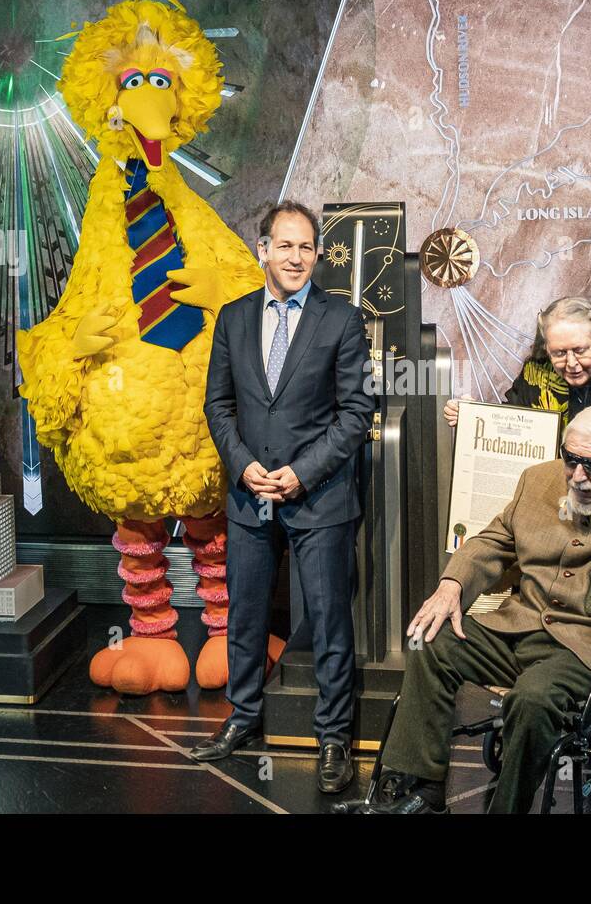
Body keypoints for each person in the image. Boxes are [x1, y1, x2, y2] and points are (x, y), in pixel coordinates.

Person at [354, 405, 591, 813]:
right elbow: (491, 542)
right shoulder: (536, 481)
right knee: (429, 640)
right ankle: (423, 787)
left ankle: (508, 807)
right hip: (519, 627)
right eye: (571, 459)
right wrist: (451, 585)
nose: (578, 476)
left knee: (533, 697)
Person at [193, 200, 373, 794]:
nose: (296, 257)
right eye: (285, 245)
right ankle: (243, 717)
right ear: (261, 249)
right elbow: (218, 406)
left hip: (318, 497)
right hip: (249, 497)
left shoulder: (341, 320)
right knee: (244, 614)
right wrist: (244, 468)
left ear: (317, 255)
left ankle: (333, 738)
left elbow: (355, 415)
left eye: (306, 247)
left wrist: (300, 473)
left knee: (328, 622)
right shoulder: (234, 318)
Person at [444, 296, 591, 518]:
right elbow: (514, 422)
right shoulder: (537, 372)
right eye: (559, 353)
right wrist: (474, 416)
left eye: (580, 350)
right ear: (546, 348)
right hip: (563, 504)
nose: (571, 363)